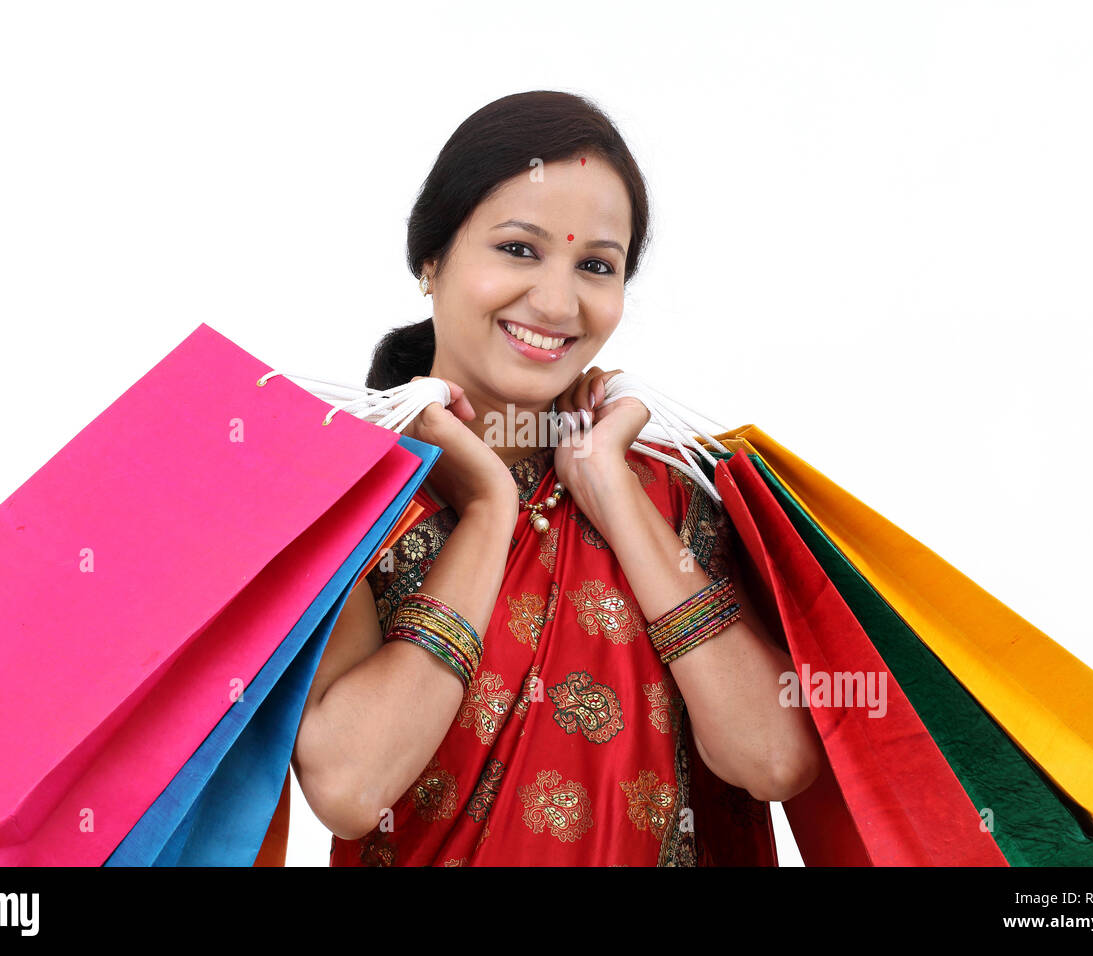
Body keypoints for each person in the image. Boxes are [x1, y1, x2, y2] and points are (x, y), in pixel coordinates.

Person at [290, 90, 821, 866]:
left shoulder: (671, 494)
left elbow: (775, 761)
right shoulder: (348, 503)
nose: (556, 300)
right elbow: (348, 786)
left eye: (596, 265)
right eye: (518, 249)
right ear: (430, 262)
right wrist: (488, 511)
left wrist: (613, 490)